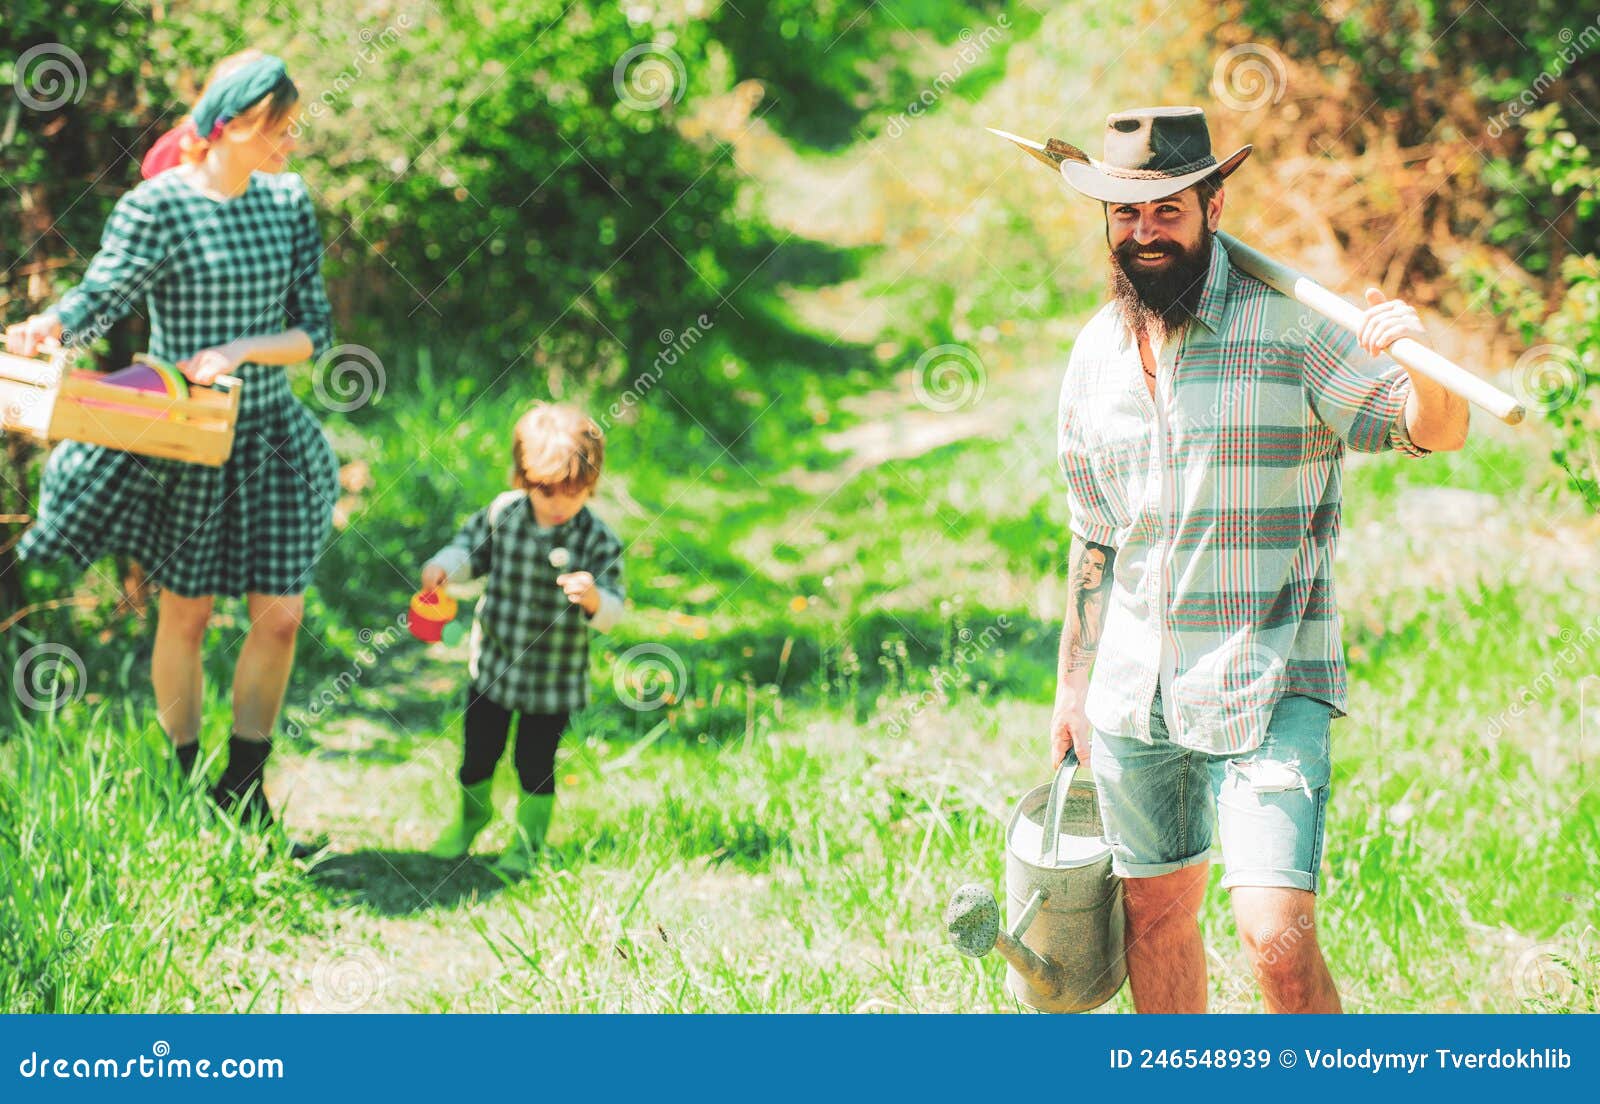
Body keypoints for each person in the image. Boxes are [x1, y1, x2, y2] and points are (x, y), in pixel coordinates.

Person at [1018, 106, 1469, 1012]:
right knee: (1152, 917)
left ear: (1213, 207)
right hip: (1135, 687)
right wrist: (1073, 686)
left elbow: (1433, 432)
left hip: (1269, 678)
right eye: (1126, 216)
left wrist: (1420, 362)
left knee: (1272, 937)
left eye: (1168, 212)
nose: (1146, 234)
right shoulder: (1095, 356)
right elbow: (1095, 536)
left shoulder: (1291, 330)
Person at [4, 51, 339, 848]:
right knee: (185, 615)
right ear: (233, 124)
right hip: (189, 440)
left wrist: (242, 349)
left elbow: (313, 332)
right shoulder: (157, 207)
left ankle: (244, 786)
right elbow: (101, 295)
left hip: (271, 438)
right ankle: (186, 781)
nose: (289, 145)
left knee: (282, 616)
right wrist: (52, 325)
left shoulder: (288, 204)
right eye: (278, 130)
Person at [420, 403, 626, 876]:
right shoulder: (503, 513)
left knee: (535, 763)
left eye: (571, 494)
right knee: (477, 755)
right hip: (493, 665)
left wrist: (594, 600)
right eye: (545, 491)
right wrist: (445, 566)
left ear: (590, 486)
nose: (557, 504)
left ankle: (528, 843)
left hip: (552, 680)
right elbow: (470, 551)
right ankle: (471, 819)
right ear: (521, 477)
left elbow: (614, 610)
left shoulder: (598, 538)